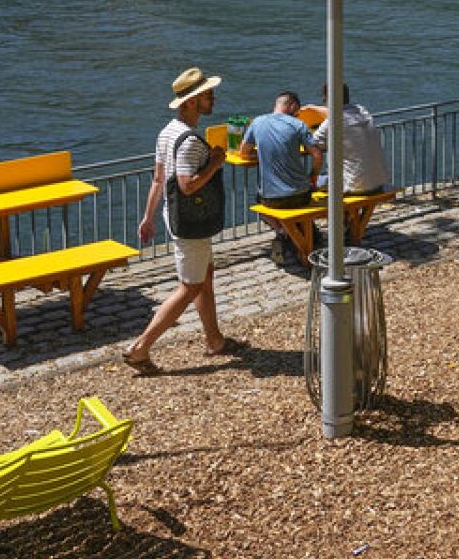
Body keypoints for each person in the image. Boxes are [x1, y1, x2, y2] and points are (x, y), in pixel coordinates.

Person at [126, 66, 244, 375]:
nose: (213, 99)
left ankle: (215, 340)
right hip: (192, 224)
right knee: (190, 287)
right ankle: (140, 349)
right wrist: (216, 162)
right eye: (208, 95)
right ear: (192, 102)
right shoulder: (190, 141)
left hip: (175, 216)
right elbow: (187, 185)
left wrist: (148, 216)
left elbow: (158, 179)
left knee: (204, 276)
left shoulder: (167, 132)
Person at [240, 91, 317, 261]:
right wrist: (313, 174)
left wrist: (261, 155)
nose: (297, 115)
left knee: (260, 202)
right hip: (301, 196)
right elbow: (317, 154)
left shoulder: (257, 122)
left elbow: (243, 152)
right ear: (292, 106)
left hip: (271, 200)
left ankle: (282, 232)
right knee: (307, 195)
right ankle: (300, 235)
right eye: (297, 112)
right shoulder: (298, 125)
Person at [309, 84, 390, 195]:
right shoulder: (363, 112)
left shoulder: (334, 120)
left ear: (328, 98)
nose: (322, 101)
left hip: (353, 187)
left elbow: (312, 143)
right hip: (378, 183)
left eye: (324, 98)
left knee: (307, 183)